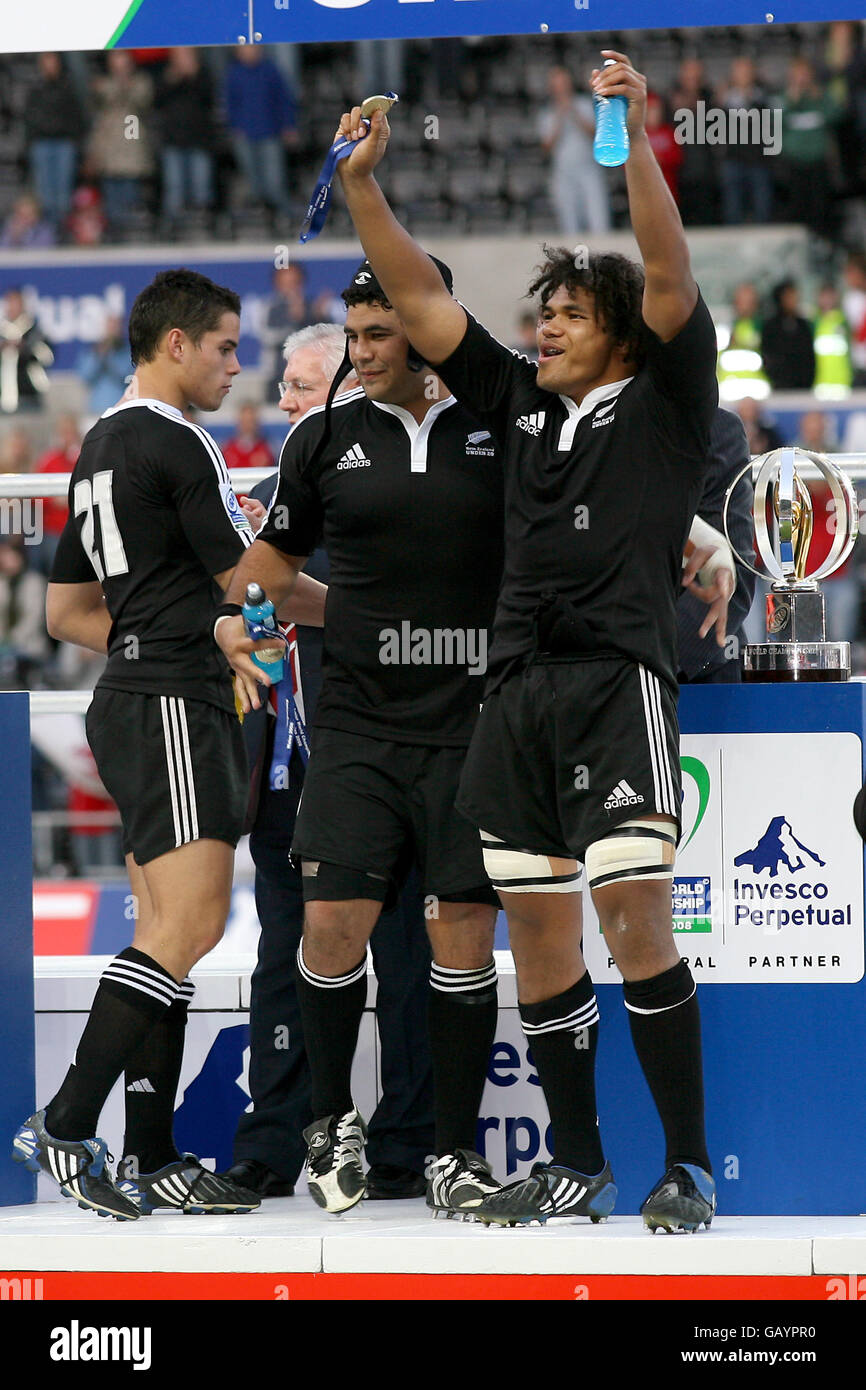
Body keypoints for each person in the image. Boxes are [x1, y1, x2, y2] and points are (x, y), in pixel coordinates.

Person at [332, 50, 723, 1232]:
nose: (544, 329)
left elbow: (664, 267)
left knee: (631, 919)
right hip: (513, 696)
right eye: (538, 315)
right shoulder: (516, 404)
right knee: (541, 941)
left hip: (614, 684)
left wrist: (634, 134)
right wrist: (360, 191)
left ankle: (688, 1163)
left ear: (620, 337)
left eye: (566, 315)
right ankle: (578, 1159)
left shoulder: (662, 403)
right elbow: (419, 303)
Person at [12, 268, 325, 1221]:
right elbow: (251, 585)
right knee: (186, 927)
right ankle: (66, 1122)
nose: (240, 366)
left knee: (163, 934)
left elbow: (68, 612)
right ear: (176, 344)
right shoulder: (179, 441)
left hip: (133, 696)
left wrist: (155, 641)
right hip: (175, 706)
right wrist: (367, 611)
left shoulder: (101, 442)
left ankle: (149, 1154)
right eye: (227, 346)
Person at [215, 258, 506, 1218]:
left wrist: (702, 543)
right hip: (356, 729)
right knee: (330, 929)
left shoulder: (500, 428)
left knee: (458, 941)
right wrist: (235, 617)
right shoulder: (325, 440)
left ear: (432, 325)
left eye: (380, 334)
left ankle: (453, 1153)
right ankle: (331, 1118)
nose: (362, 354)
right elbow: (263, 570)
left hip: (471, 729)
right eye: (354, 336)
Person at [221, 322, 435, 1200]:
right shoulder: (278, 493)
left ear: (350, 385)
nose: (284, 402)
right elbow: (234, 603)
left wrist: (300, 600)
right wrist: (242, 618)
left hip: (397, 754)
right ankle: (278, 1141)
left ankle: (408, 1145)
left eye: (302, 386)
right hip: (288, 768)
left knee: (408, 957)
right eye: (285, 386)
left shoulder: (408, 487)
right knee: (286, 957)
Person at [678, 408, 755, 685]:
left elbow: (735, 567)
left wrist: (643, 662)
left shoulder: (715, 428)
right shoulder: (555, 422)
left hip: (694, 669)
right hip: (568, 670)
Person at [538, 65, 610, 235]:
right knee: (569, 225)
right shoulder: (547, 114)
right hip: (563, 173)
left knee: (599, 221)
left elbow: (596, 134)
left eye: (563, 82)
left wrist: (574, 113)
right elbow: (546, 148)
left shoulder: (584, 104)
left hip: (588, 169)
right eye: (557, 84)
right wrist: (560, 117)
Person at [0, 288, 53, 413]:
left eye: (17, 303)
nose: (13, 307)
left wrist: (25, 349)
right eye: (10, 302)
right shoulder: (2, 330)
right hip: (3, 399)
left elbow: (47, 357)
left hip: (30, 396)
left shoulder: (34, 331)